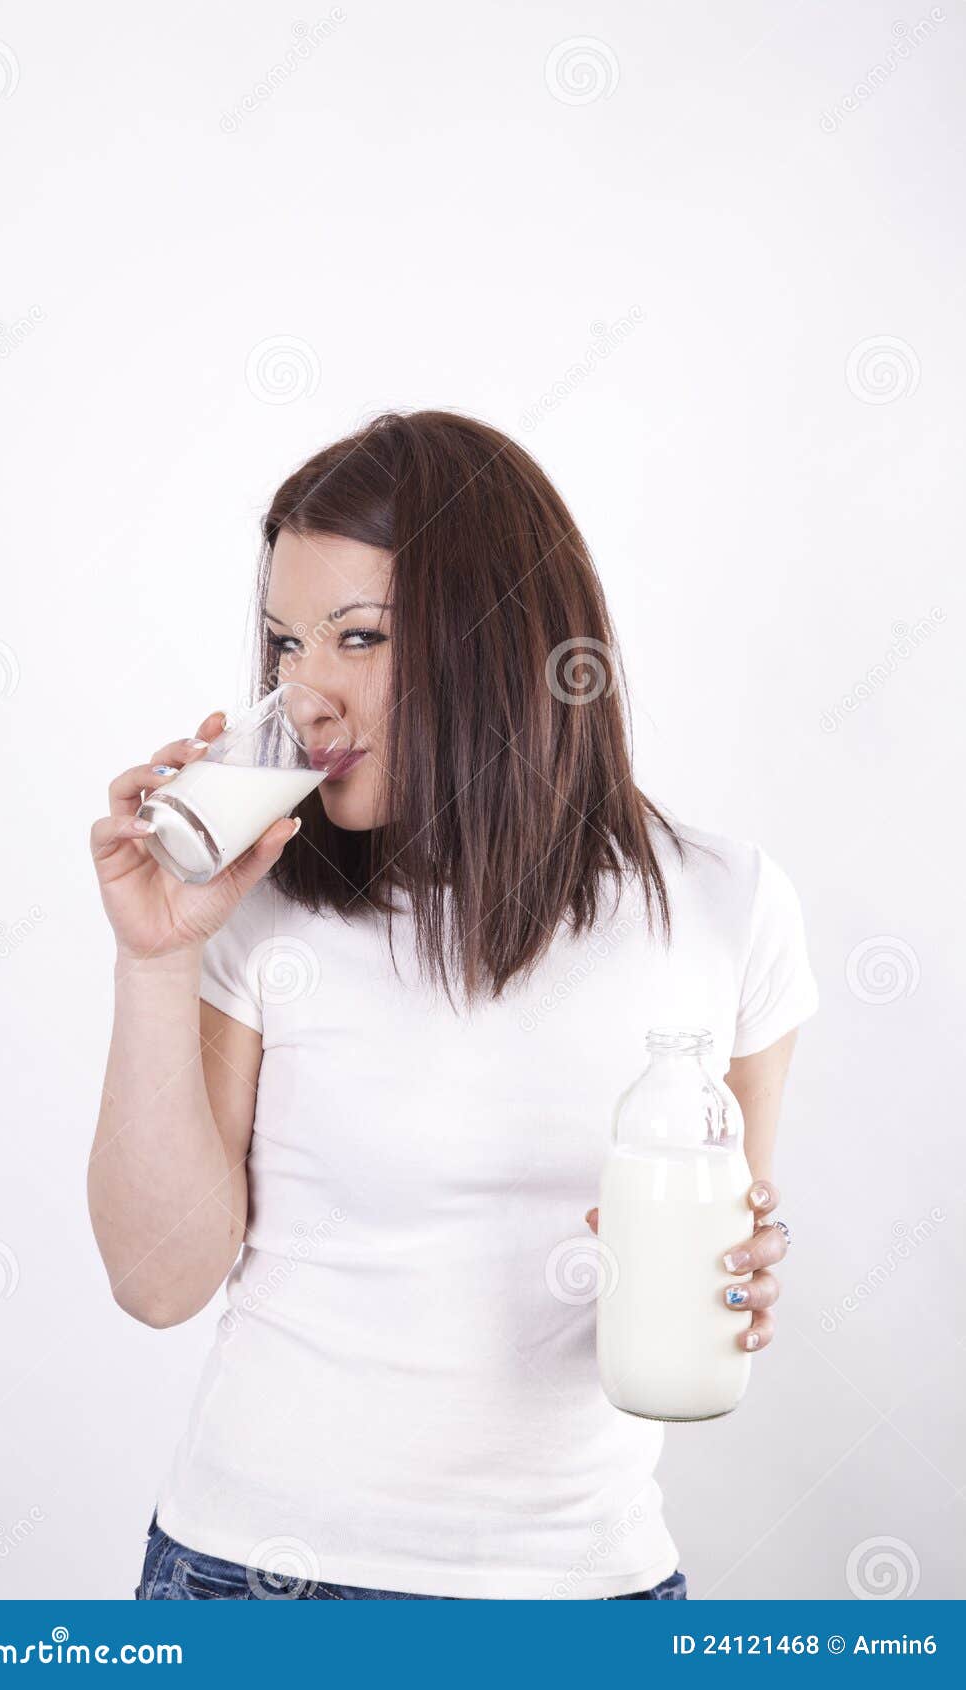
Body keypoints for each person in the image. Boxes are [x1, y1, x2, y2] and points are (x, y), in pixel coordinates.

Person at [87, 409, 819, 1601]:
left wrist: (742, 1275)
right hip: (255, 1584)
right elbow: (157, 1283)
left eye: (358, 637)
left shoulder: (725, 905)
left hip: (587, 1593)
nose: (304, 695)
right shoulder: (258, 906)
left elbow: (718, 1259)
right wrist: (155, 957)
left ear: (498, 637)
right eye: (284, 645)